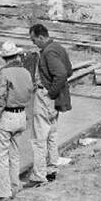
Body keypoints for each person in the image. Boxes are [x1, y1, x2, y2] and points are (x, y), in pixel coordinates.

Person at [27, 23, 72, 185]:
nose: (33, 43)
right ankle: (52, 168)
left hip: (46, 97)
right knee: (52, 134)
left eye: (34, 40)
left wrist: (50, 92)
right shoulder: (58, 47)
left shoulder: (48, 52)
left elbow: (60, 74)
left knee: (39, 137)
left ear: (41, 37)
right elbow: (69, 70)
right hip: (54, 99)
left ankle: (39, 175)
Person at [0, 41, 32, 201]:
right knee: (14, 154)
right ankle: (15, 187)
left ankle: (3, 193)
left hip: (7, 116)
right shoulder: (26, 72)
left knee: (0, 156)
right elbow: (30, 91)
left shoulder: (4, 73)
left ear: (5, 58)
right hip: (21, 115)